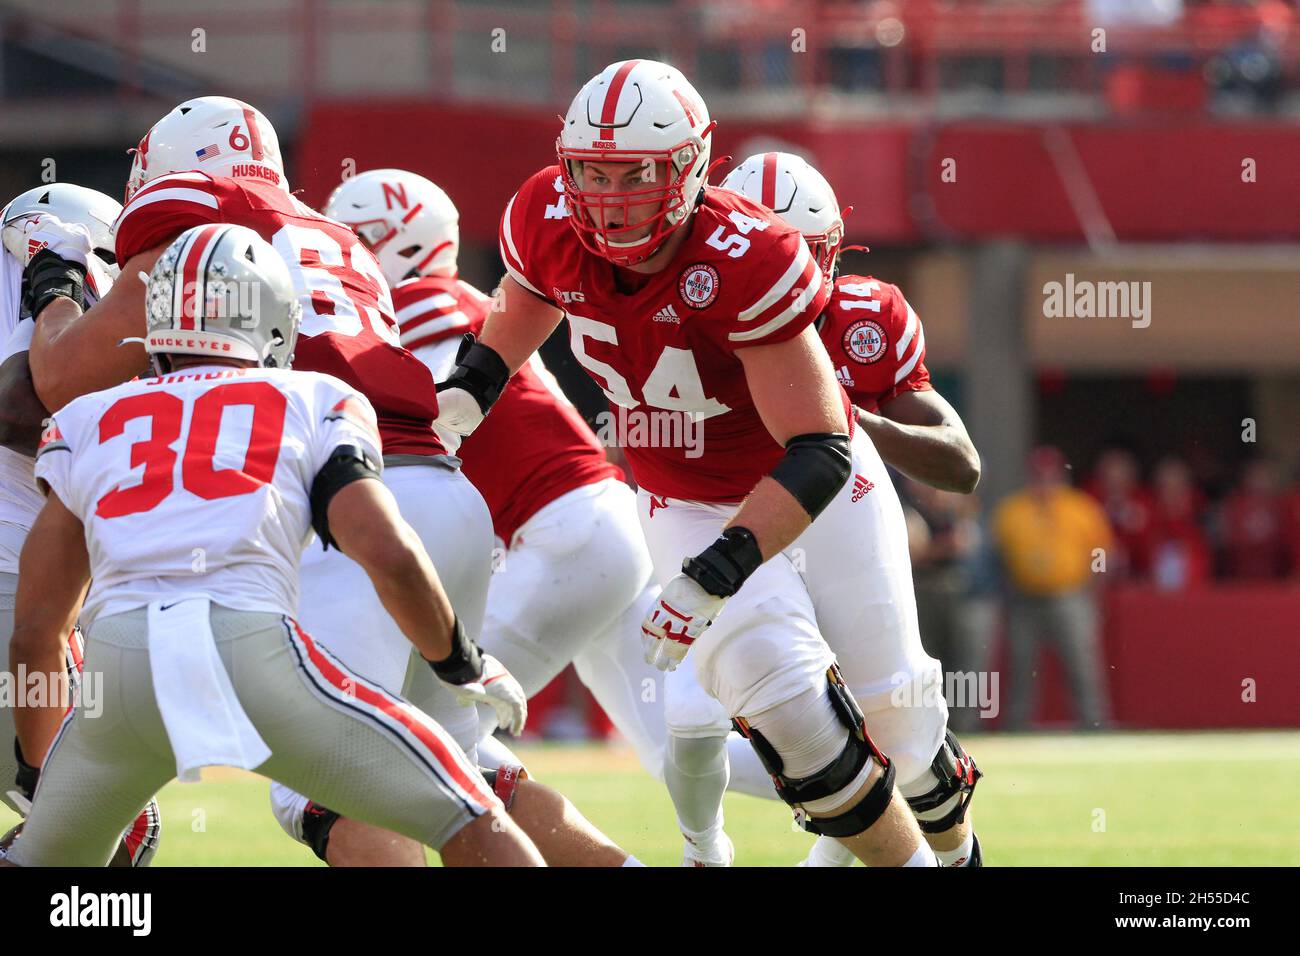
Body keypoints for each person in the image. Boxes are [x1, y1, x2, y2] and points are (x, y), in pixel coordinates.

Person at [438, 59, 942, 867]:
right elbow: (524, 300)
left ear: (691, 165)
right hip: (683, 500)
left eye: (635, 173)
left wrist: (715, 574)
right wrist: (468, 392)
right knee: (776, 695)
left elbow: (819, 449)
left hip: (815, 490)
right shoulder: (543, 216)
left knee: (904, 730)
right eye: (592, 173)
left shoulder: (747, 254)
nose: (608, 197)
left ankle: (939, 818)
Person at [0, 96, 503, 865]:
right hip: (425, 485)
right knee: (465, 796)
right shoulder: (333, 280)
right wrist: (462, 659)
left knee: (323, 805)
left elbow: (56, 384)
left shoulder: (99, 417)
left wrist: (56, 279)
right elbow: (392, 554)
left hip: (173, 627)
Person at [323, 169, 668, 780]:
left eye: (351, 241)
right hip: (595, 527)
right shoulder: (468, 304)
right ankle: (860, 787)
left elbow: (389, 425)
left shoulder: (422, 305)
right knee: (676, 748)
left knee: (427, 738)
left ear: (393, 243)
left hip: (566, 535)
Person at [718, 151, 985, 867]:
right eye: (773, 255)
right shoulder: (690, 312)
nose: (788, 275)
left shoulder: (866, 316)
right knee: (733, 725)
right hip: (739, 530)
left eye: (805, 257)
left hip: (846, 525)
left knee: (898, 730)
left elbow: (961, 463)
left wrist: (861, 425)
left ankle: (950, 849)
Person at [0, 184, 164, 866]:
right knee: (104, 826)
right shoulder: (52, 276)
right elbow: (17, 408)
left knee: (68, 821)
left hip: (31, 578)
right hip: (19, 577)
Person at [993, 446, 1113, 731]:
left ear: (1061, 475)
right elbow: (998, 559)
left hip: (1069, 596)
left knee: (1082, 664)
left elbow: (1102, 555)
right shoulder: (1012, 510)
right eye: (1039, 475)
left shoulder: (1082, 508)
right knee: (1020, 665)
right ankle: (1016, 726)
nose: (1045, 481)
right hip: (1024, 599)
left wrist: (1091, 593)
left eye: (1050, 475)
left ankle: (1094, 723)